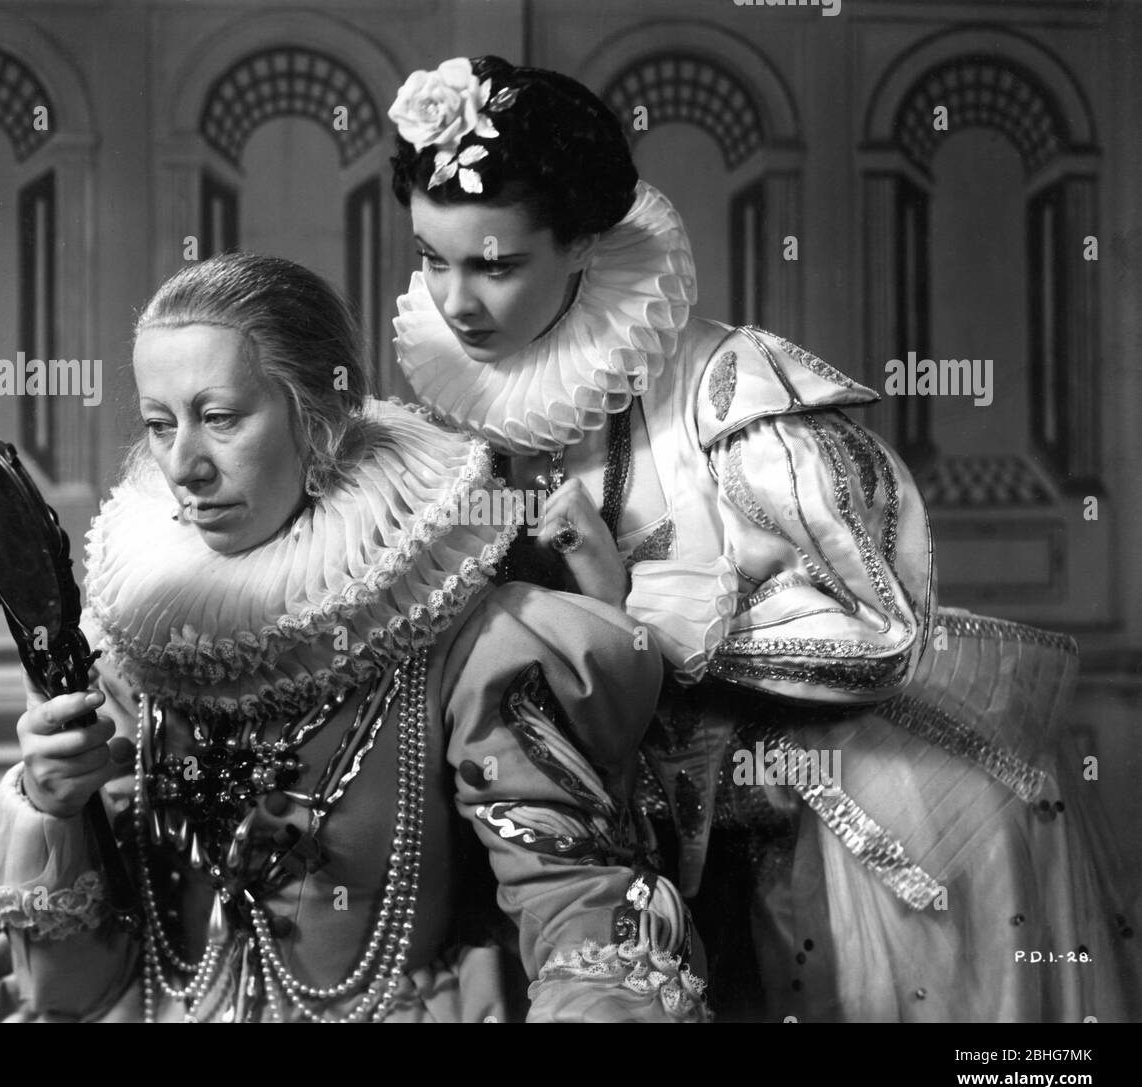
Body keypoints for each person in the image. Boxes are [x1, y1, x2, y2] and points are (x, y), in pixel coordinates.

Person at [389, 56, 1141, 1021]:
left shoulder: (729, 391)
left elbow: (881, 623)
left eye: (494, 264)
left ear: (581, 245)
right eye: (430, 258)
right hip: (581, 828)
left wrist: (647, 614)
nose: (455, 302)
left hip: (814, 816)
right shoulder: (466, 403)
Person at [0, 252, 707, 1023]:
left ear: (321, 422)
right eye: (158, 424)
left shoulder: (468, 640)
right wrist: (51, 807)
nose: (184, 464)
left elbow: (579, 909)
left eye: (218, 418)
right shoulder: (131, 647)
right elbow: (79, 990)